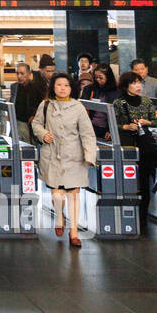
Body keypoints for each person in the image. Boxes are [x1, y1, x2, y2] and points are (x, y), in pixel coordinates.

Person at [30, 73, 98, 247]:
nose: (62, 88)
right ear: (53, 87)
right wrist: (43, 134)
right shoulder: (45, 105)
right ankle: (59, 217)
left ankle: (74, 232)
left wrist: (90, 156)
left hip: (74, 156)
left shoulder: (78, 107)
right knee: (57, 194)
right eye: (59, 85)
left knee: (73, 194)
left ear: (71, 88)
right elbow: (36, 124)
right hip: (52, 155)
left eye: (66, 85)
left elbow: (87, 133)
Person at [114, 71, 157, 226]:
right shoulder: (119, 103)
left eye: (139, 82)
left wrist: (146, 122)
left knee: (145, 177)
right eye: (133, 83)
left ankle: (143, 215)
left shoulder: (146, 101)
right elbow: (114, 125)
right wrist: (127, 126)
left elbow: (154, 121)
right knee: (129, 176)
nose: (138, 86)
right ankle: (127, 213)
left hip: (144, 142)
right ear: (126, 86)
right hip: (128, 141)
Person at [9, 62, 46, 144]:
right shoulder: (14, 87)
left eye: (22, 73)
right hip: (16, 123)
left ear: (29, 74)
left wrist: (34, 116)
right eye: (17, 73)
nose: (19, 76)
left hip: (30, 124)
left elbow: (42, 105)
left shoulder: (36, 87)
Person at [80, 64, 118, 139]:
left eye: (100, 77)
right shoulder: (89, 89)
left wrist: (110, 130)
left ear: (108, 77)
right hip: (90, 126)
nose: (98, 80)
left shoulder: (116, 92)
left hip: (106, 128)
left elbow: (116, 115)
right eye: (96, 77)